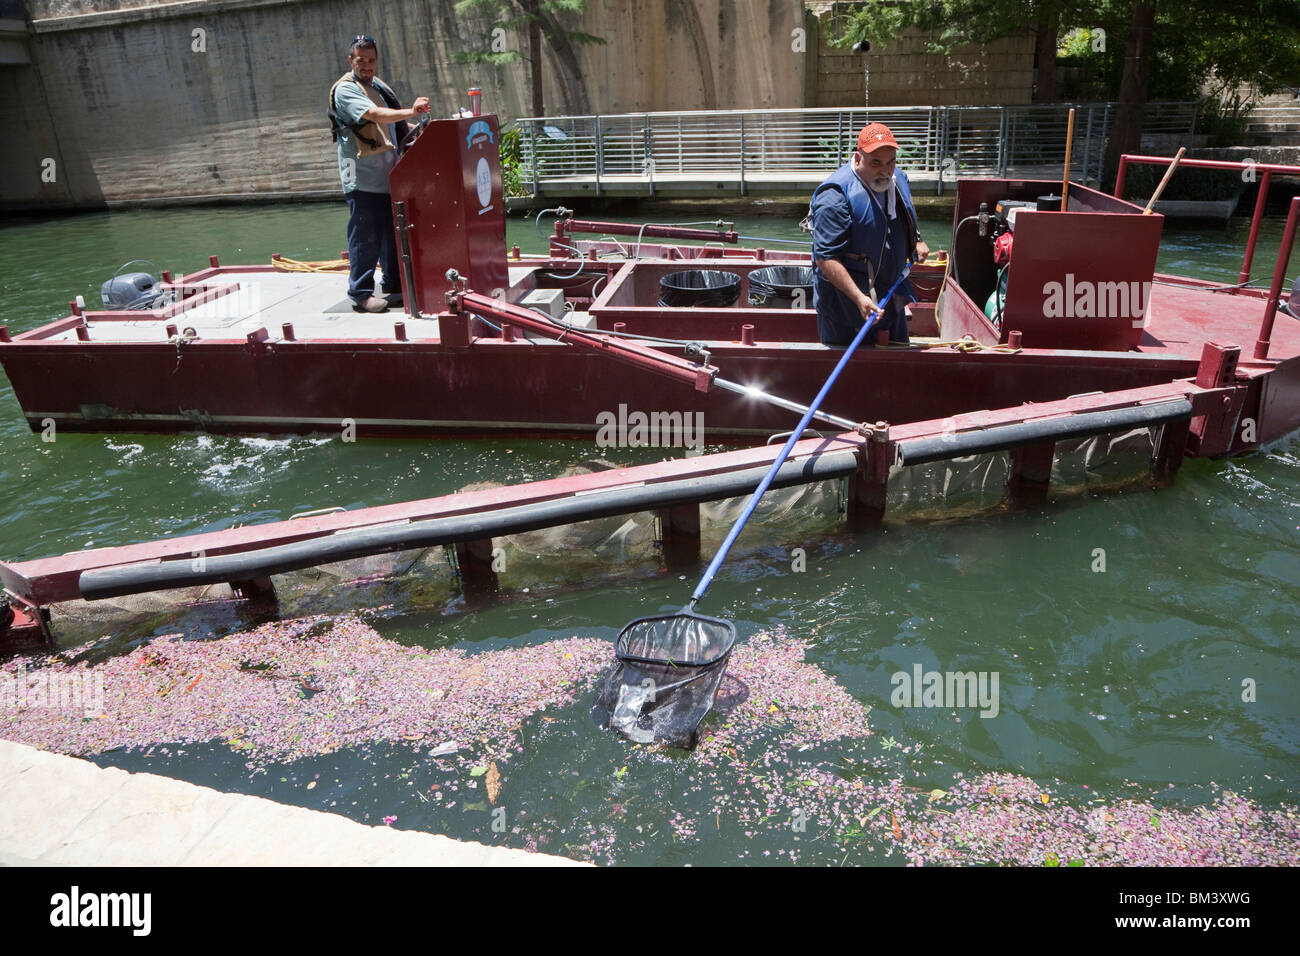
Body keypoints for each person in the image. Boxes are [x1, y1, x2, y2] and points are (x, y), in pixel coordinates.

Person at [328, 35, 431, 313]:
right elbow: (374, 115)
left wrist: (426, 129)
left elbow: (396, 127)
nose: (367, 65)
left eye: (371, 60)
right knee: (365, 235)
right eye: (361, 61)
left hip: (388, 176)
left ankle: (393, 285)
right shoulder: (346, 90)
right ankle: (360, 294)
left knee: (391, 233)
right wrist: (410, 110)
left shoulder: (378, 86)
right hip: (362, 177)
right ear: (351, 61)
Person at [808, 122, 930, 346]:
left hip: (890, 298)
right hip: (847, 308)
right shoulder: (834, 197)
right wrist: (859, 299)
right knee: (853, 377)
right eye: (875, 163)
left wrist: (917, 239)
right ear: (857, 159)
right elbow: (825, 259)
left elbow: (907, 209)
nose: (885, 170)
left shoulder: (897, 178)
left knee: (896, 364)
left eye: (890, 161)